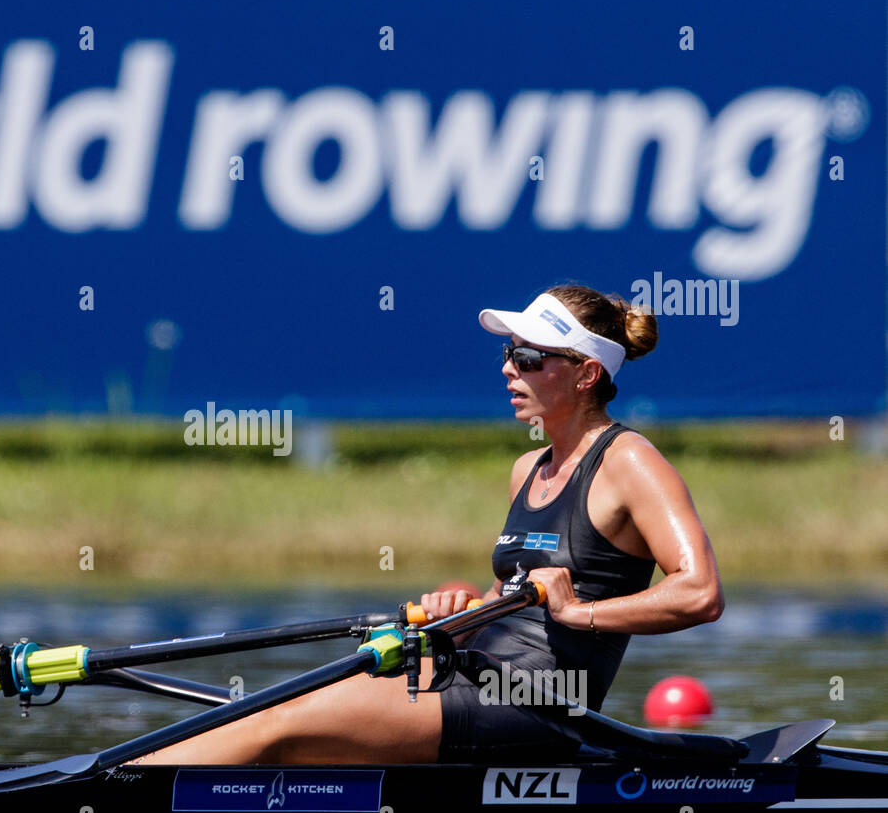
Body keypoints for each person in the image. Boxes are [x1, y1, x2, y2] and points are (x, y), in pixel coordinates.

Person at [135, 284, 723, 765]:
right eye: (507, 354)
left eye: (528, 358)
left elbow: (699, 593)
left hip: (537, 704)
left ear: (586, 374)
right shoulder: (528, 467)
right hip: (472, 670)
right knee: (272, 707)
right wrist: (467, 611)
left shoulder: (629, 462)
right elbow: (513, 597)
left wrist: (580, 614)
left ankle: (110, 802)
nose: (508, 370)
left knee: (279, 725)